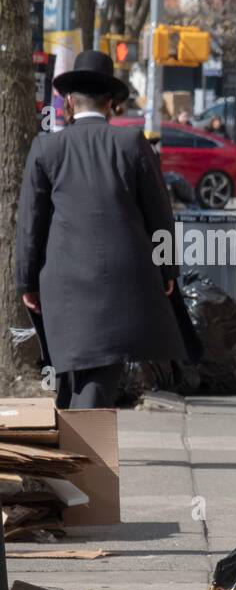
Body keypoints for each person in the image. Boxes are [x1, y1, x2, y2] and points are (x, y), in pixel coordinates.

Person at [16, 50, 197, 409]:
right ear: (112, 102)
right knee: (99, 375)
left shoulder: (47, 148)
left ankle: (79, 453)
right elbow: (160, 215)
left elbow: (30, 224)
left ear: (68, 101)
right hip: (122, 282)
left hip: (63, 282)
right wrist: (167, 270)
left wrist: (27, 282)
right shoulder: (132, 143)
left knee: (74, 372)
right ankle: (84, 454)